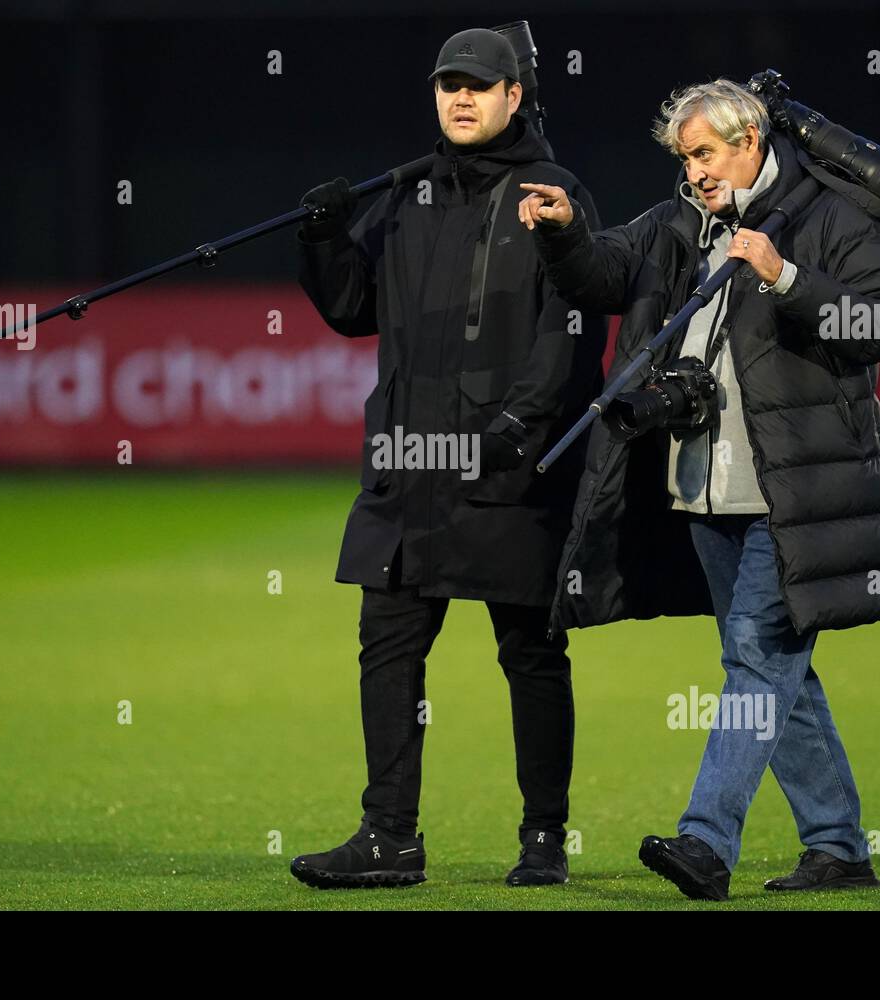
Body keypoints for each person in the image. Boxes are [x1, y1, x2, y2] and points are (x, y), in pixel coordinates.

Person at [517, 78, 880, 900]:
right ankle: (839, 847)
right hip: (702, 492)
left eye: (704, 153)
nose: (694, 171)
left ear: (751, 140)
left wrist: (786, 276)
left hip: (793, 493)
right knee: (778, 673)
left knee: (754, 660)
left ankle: (706, 842)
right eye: (684, 157)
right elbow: (600, 273)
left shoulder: (832, 214)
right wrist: (563, 235)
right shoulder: (676, 225)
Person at [289, 28, 606, 889]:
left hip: (508, 469)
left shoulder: (555, 195)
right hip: (405, 468)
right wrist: (323, 239)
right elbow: (355, 309)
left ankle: (544, 838)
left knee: (531, 654)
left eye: (479, 85)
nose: (460, 99)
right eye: (447, 86)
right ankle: (389, 837)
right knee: (386, 648)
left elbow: (572, 327)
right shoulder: (405, 195)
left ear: (515, 97)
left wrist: (520, 426)